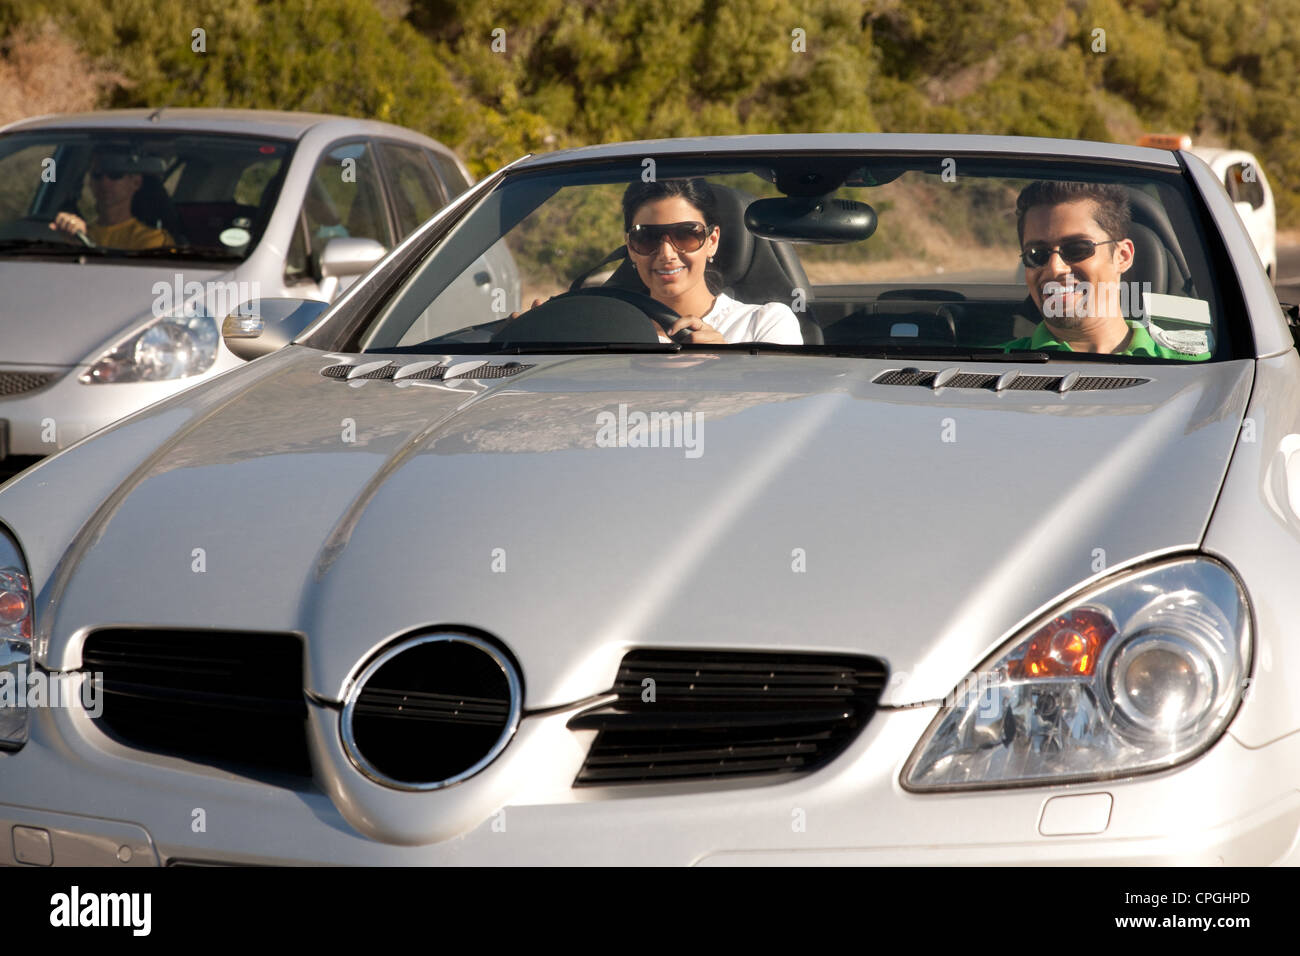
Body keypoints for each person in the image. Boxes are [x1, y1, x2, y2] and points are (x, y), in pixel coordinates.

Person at [1002, 180, 1208, 360]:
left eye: (1076, 249)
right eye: (1037, 254)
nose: (1054, 268)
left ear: (1122, 256)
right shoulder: (988, 368)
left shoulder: (1200, 366)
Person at [620, 178, 803, 344]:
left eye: (686, 234)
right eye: (647, 237)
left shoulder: (763, 323)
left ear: (712, 241)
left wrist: (725, 361)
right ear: (630, 247)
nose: (666, 254)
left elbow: (784, 381)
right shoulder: (609, 332)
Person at [50, 152, 173, 250]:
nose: (105, 182)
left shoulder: (153, 240)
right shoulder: (73, 233)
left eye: (115, 175)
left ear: (136, 182)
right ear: (90, 182)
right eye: (97, 175)